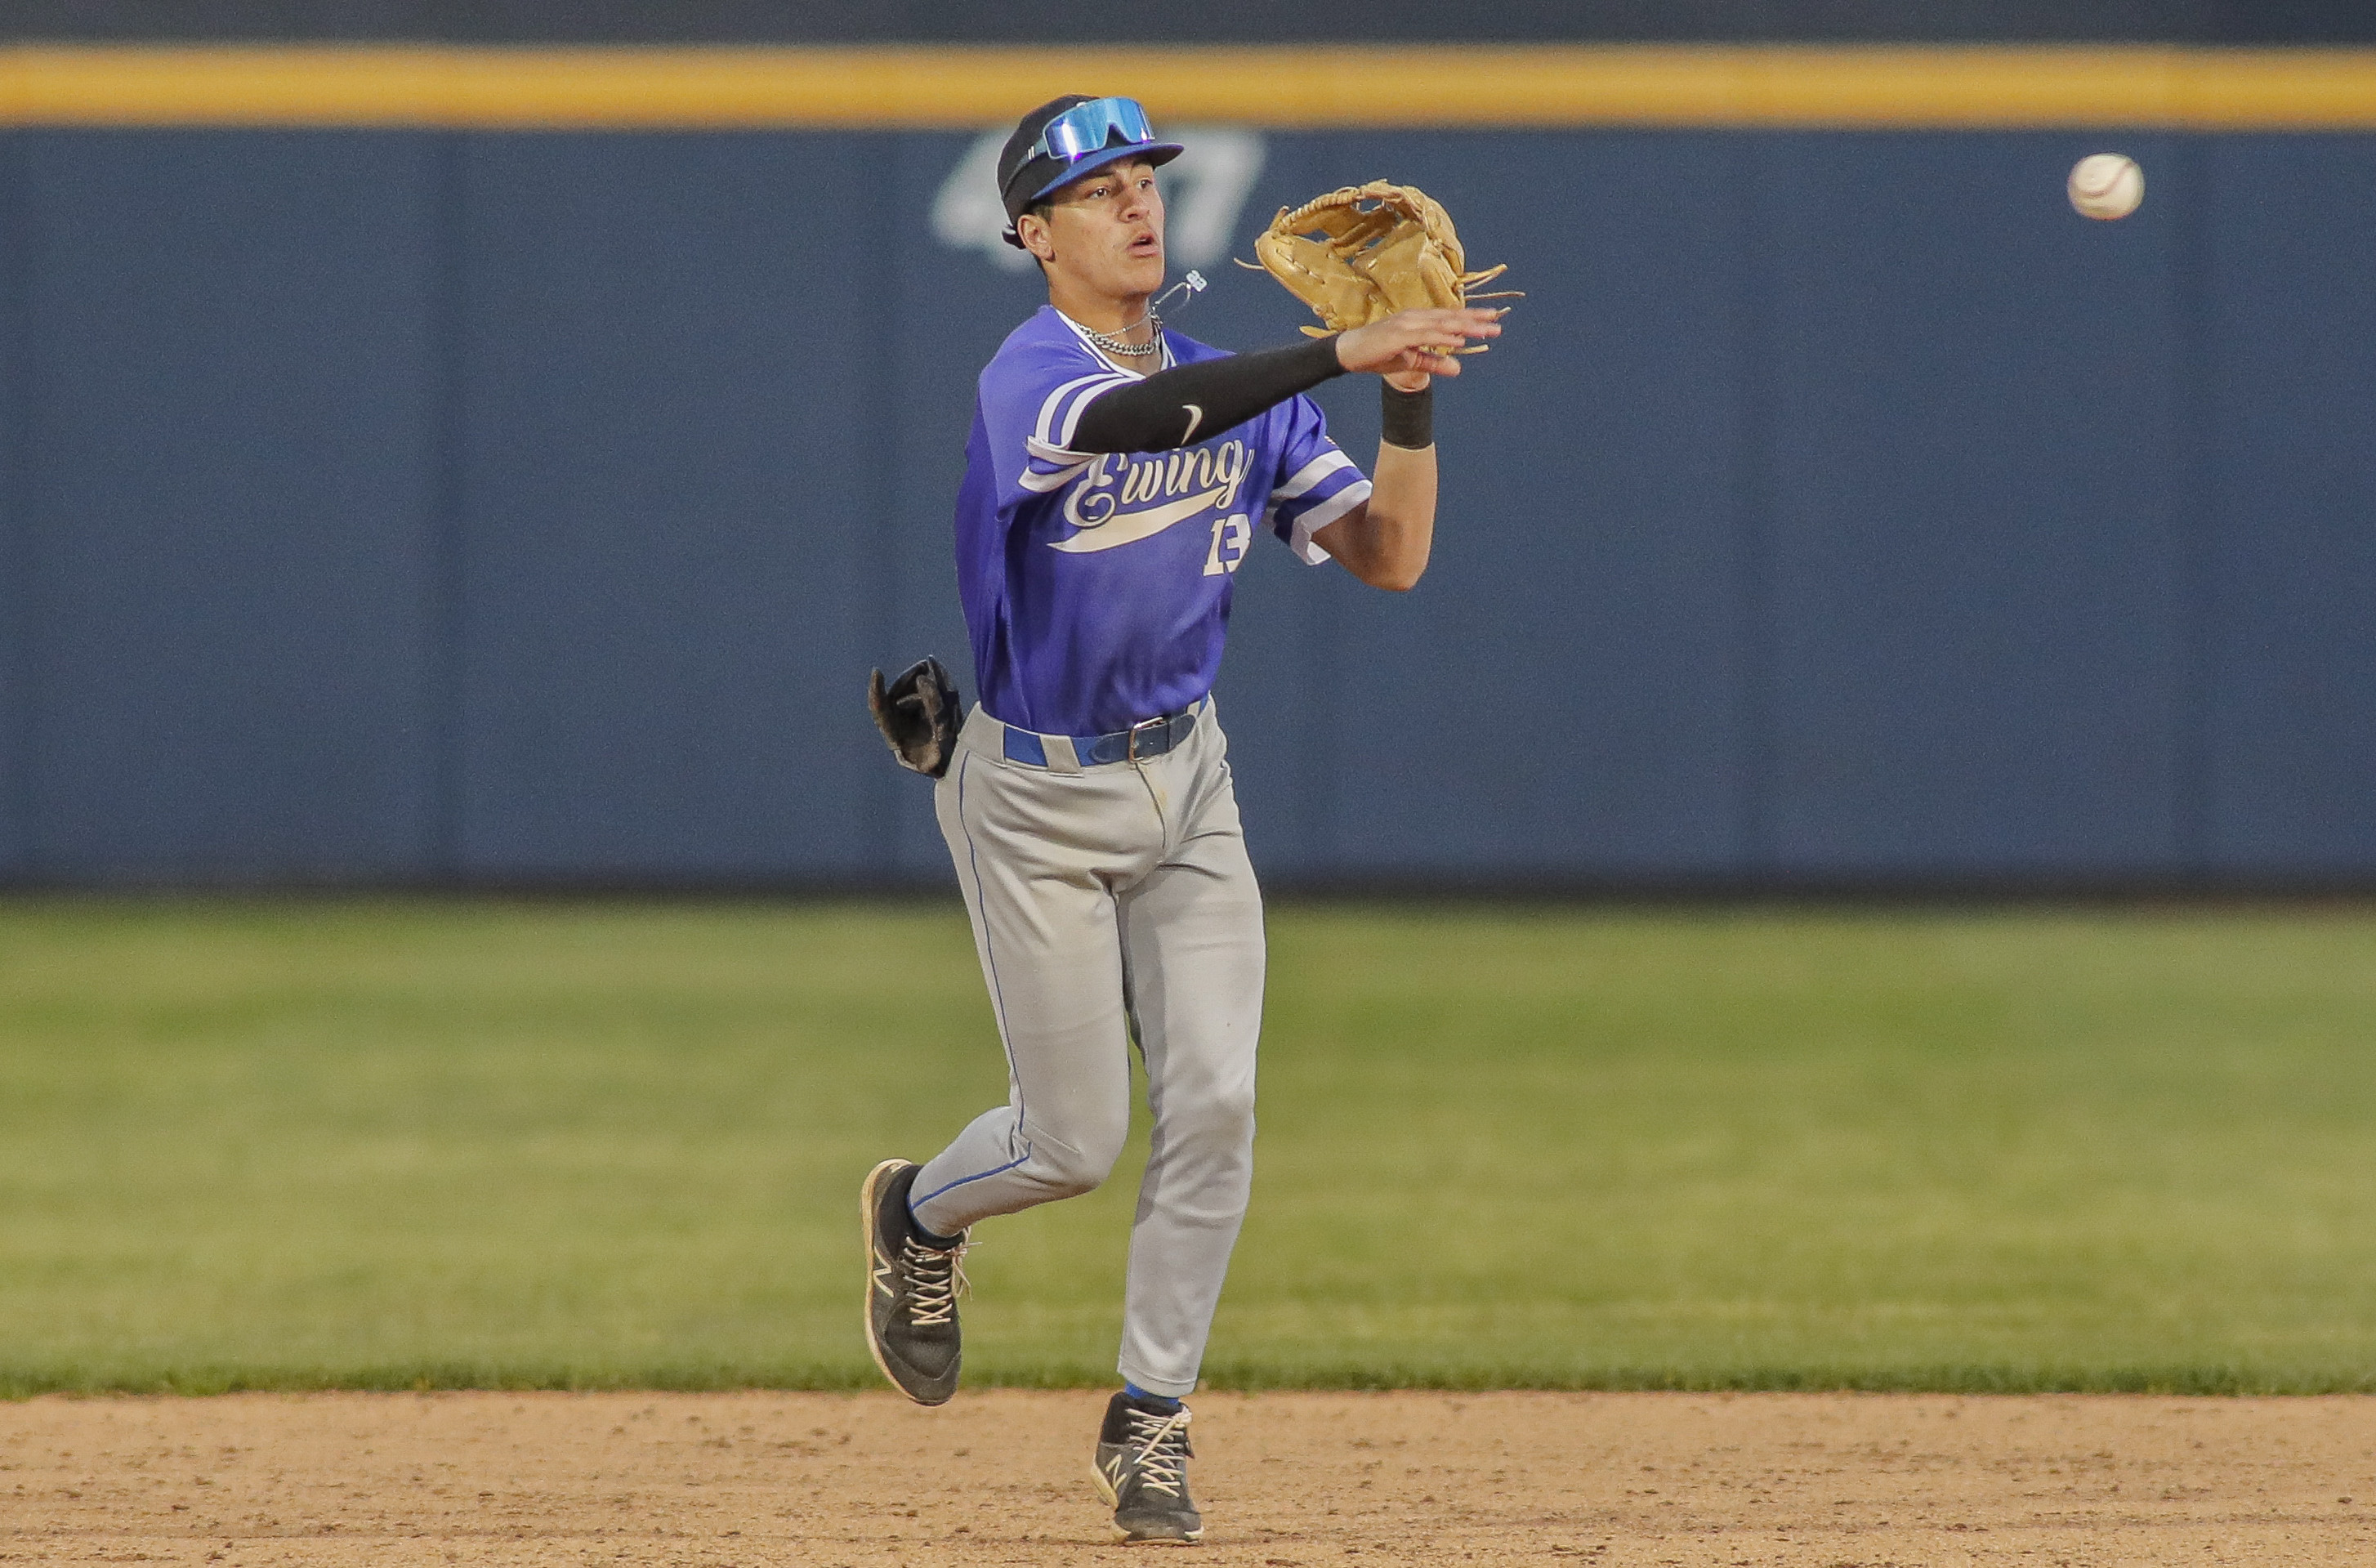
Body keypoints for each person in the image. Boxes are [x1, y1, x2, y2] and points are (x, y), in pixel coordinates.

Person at [863, 93, 1502, 1544]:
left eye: (1144, 179)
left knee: (1216, 1102)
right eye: (1098, 192)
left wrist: (1408, 391)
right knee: (1072, 1145)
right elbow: (1141, 420)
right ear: (1033, 234)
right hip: (1033, 798)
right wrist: (1339, 351)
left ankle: (1150, 1416)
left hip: (1189, 785)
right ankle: (917, 1215)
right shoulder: (1030, 376)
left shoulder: (1241, 385)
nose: (1137, 204)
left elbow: (1391, 555)